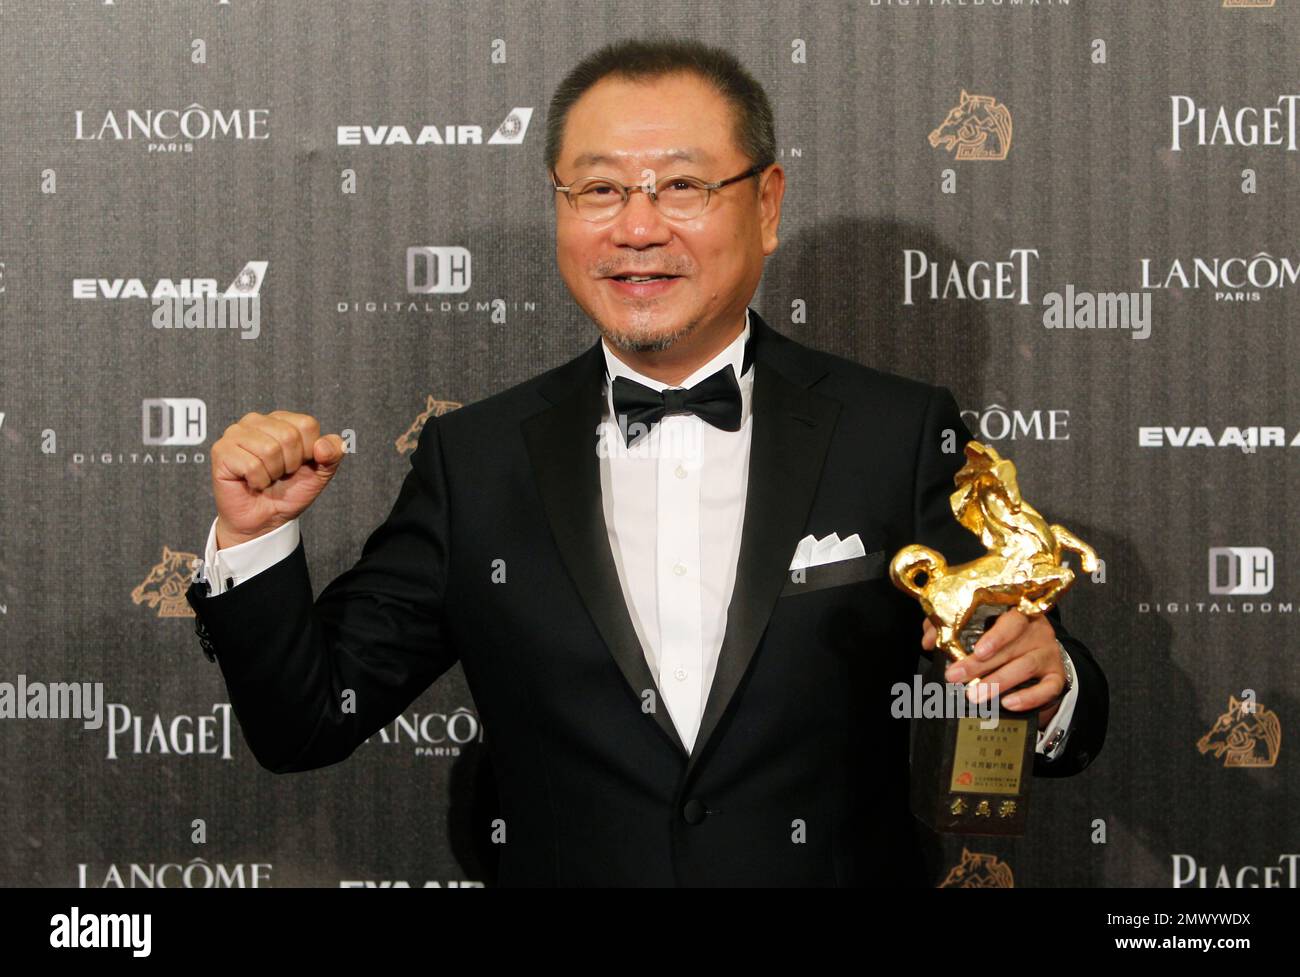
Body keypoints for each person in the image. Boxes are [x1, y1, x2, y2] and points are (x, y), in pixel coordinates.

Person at [185, 37, 1107, 886]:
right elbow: (305, 723)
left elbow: (1037, 675)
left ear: (768, 203)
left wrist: (1050, 678)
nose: (637, 227)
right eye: (599, 189)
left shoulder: (894, 431)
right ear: (559, 205)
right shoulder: (476, 460)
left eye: (682, 186)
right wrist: (255, 541)